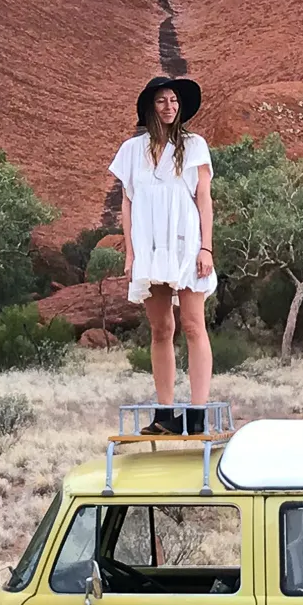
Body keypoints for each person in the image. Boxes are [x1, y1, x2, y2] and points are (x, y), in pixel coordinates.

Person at [109, 76, 217, 434]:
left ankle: (198, 414)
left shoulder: (194, 145)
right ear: (150, 107)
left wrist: (206, 247)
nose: (169, 107)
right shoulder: (131, 150)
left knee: (192, 323)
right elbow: (127, 203)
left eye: (173, 100)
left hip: (185, 243)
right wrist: (131, 254)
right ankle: (165, 414)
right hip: (150, 247)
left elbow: (204, 199)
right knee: (160, 328)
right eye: (162, 101)